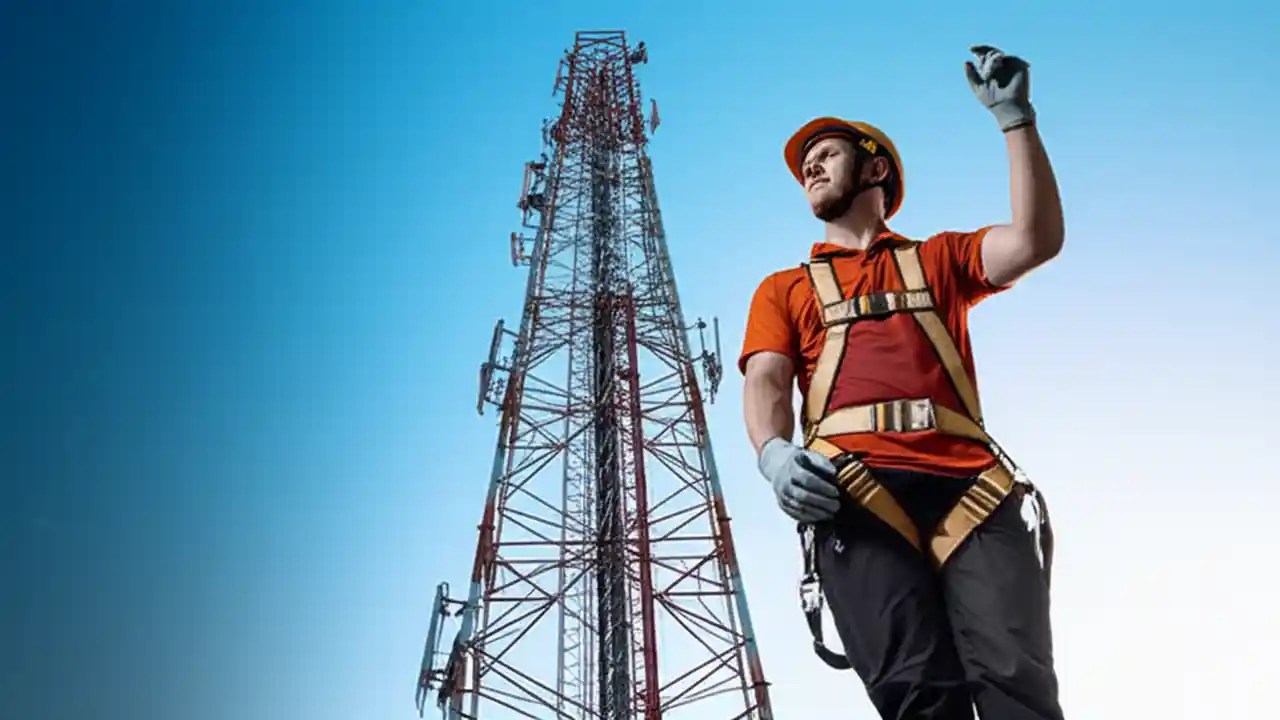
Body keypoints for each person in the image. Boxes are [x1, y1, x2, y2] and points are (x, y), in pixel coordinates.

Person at [739, 46, 1066, 719]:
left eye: (826, 154)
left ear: (876, 168)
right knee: (918, 697)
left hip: (973, 490)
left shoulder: (940, 259)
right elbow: (767, 380)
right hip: (855, 494)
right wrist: (773, 454)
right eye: (805, 165)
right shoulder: (784, 289)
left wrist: (1016, 121)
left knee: (1018, 686)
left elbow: (1034, 240)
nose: (810, 167)